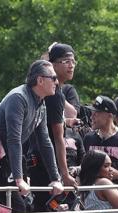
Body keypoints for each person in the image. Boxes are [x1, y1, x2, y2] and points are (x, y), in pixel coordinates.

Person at [0, 60, 57, 212]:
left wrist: (55, 178)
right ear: (40, 80)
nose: (57, 82)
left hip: (1, 156)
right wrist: (19, 180)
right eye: (53, 78)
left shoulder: (41, 103)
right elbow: (14, 139)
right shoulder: (18, 98)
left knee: (15, 207)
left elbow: (45, 142)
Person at [41, 43, 82, 189]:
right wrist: (64, 175)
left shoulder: (44, 89)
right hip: (42, 160)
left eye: (73, 61)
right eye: (65, 61)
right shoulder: (54, 95)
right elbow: (58, 138)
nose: (71, 66)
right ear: (52, 65)